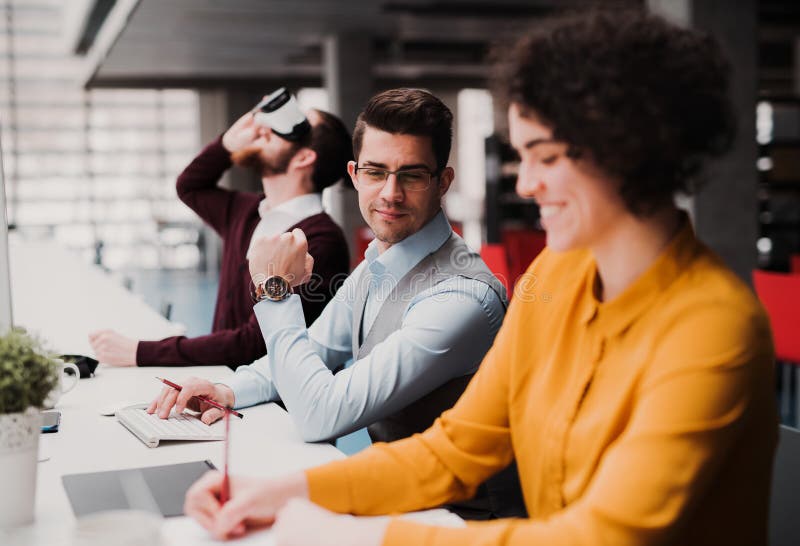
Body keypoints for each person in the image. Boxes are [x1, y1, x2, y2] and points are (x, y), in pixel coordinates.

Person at [183, 10, 778, 546]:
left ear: (626, 152)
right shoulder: (556, 274)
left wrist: (355, 531)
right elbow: (458, 446)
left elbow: (600, 537)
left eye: (545, 156)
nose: (524, 185)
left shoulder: (712, 327)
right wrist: (285, 495)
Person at [151, 88, 525, 520]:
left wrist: (275, 289)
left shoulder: (462, 297)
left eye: (412, 174)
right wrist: (227, 389)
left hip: (467, 524)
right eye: (375, 171)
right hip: (404, 502)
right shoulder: (377, 266)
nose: (390, 193)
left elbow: (321, 415)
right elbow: (317, 347)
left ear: (442, 182)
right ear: (354, 173)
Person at [88, 90, 351, 369]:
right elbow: (189, 186)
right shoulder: (246, 211)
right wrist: (227, 144)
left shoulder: (320, 240)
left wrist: (142, 352)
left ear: (303, 158)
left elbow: (255, 343)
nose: (269, 129)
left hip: (274, 405)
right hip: (224, 387)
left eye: (296, 126)